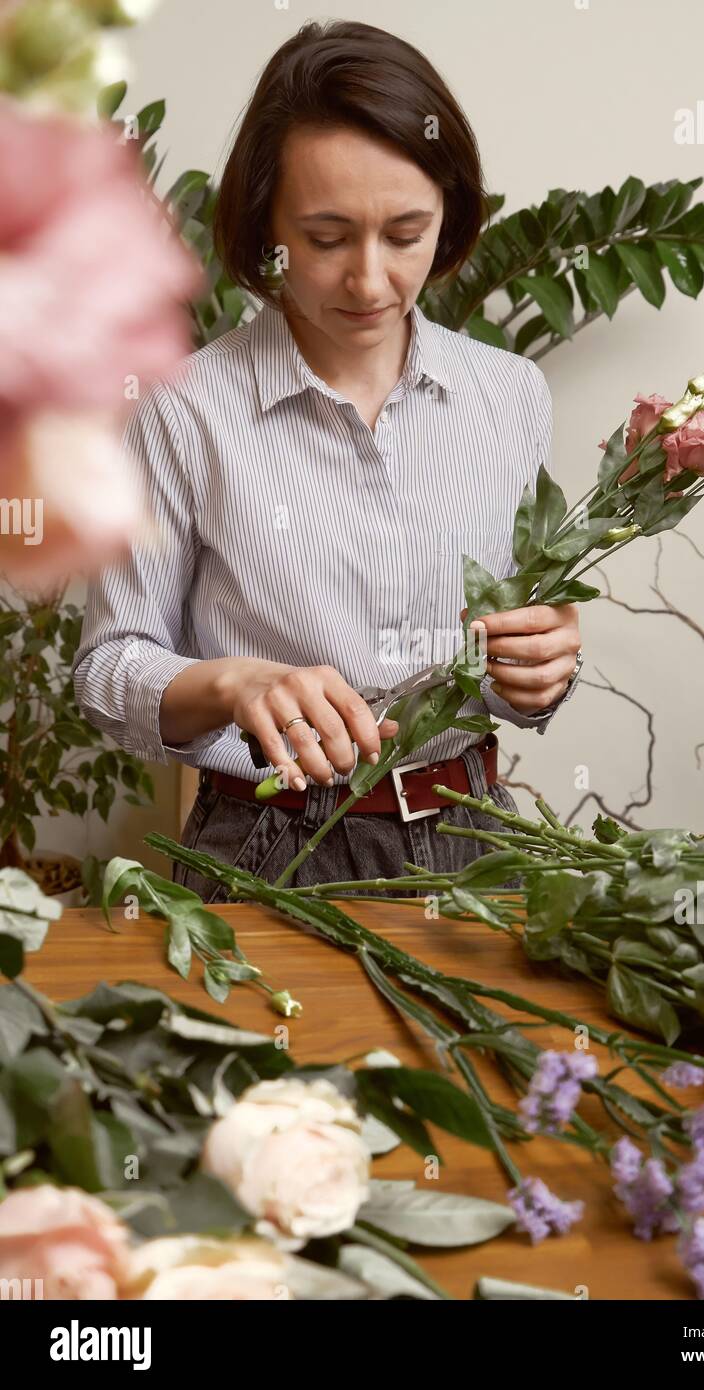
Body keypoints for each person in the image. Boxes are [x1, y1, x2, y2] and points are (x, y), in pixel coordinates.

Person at [72, 19, 583, 904]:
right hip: (268, 844)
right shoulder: (184, 407)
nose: (371, 281)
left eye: (407, 234)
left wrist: (541, 671)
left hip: (474, 840)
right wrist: (234, 684)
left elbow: (514, 656)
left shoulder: (511, 398)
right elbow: (108, 669)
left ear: (450, 218)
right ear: (264, 223)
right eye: (326, 237)